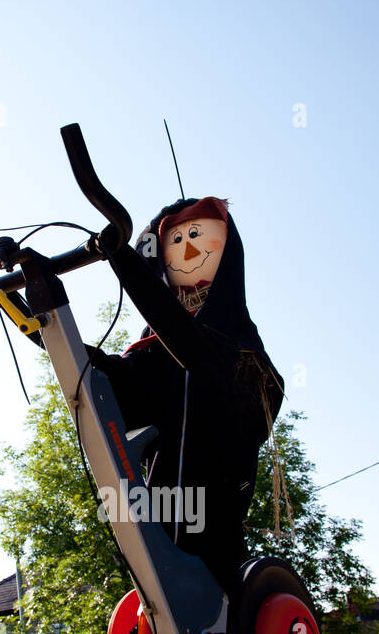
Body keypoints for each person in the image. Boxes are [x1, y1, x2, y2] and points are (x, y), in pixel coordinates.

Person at [88, 196, 285, 590]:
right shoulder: (153, 358)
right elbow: (106, 381)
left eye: (201, 238)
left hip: (219, 555)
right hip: (157, 558)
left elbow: (197, 351)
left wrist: (121, 259)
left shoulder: (244, 355)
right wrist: (36, 309)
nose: (190, 252)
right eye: (176, 243)